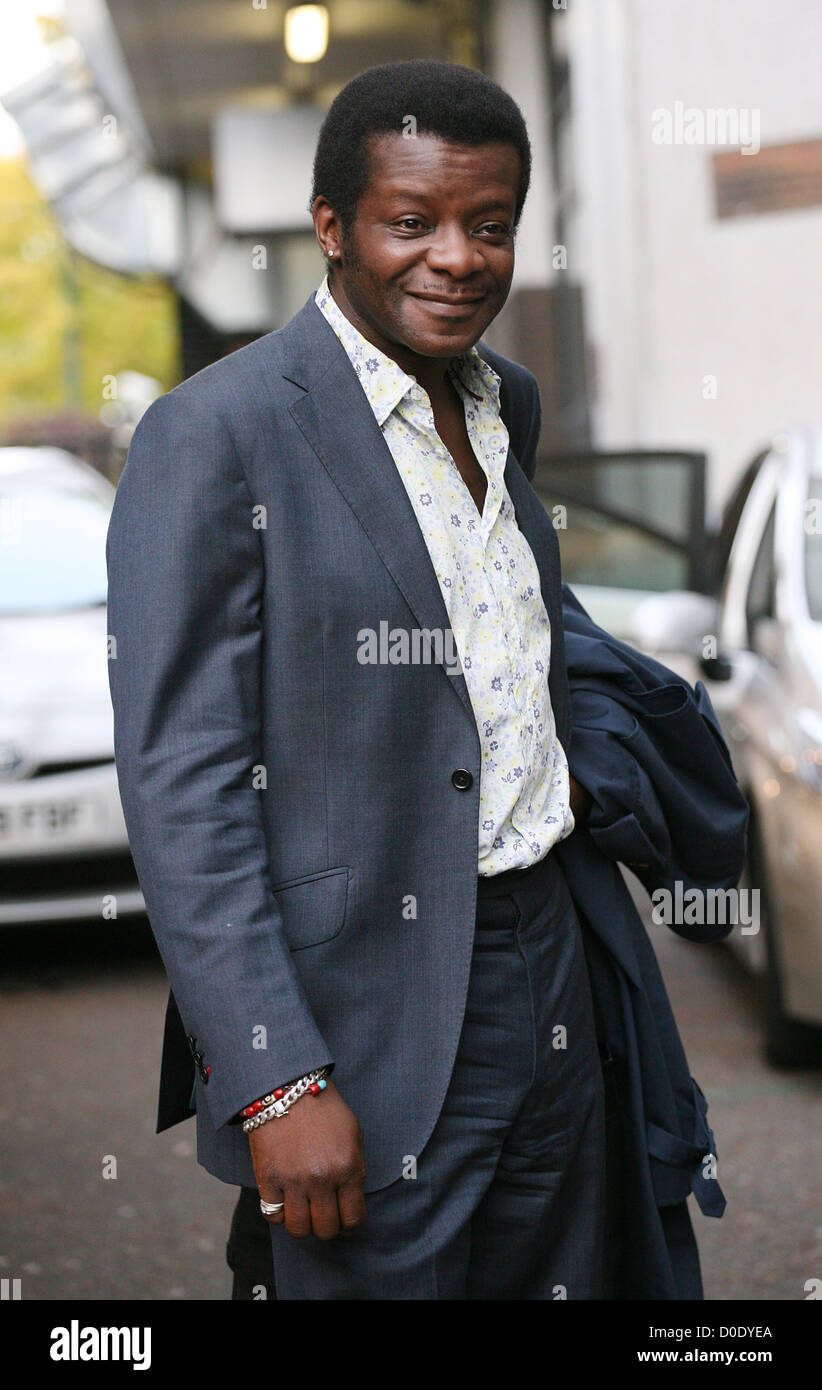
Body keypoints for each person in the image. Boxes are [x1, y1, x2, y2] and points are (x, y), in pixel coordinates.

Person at [106, 59, 607, 1301]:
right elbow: (185, 783)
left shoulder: (507, 405)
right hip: (367, 1003)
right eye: (411, 221)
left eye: (489, 226)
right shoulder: (216, 435)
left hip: (552, 958)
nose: (456, 257)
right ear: (331, 228)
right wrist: (275, 1073)